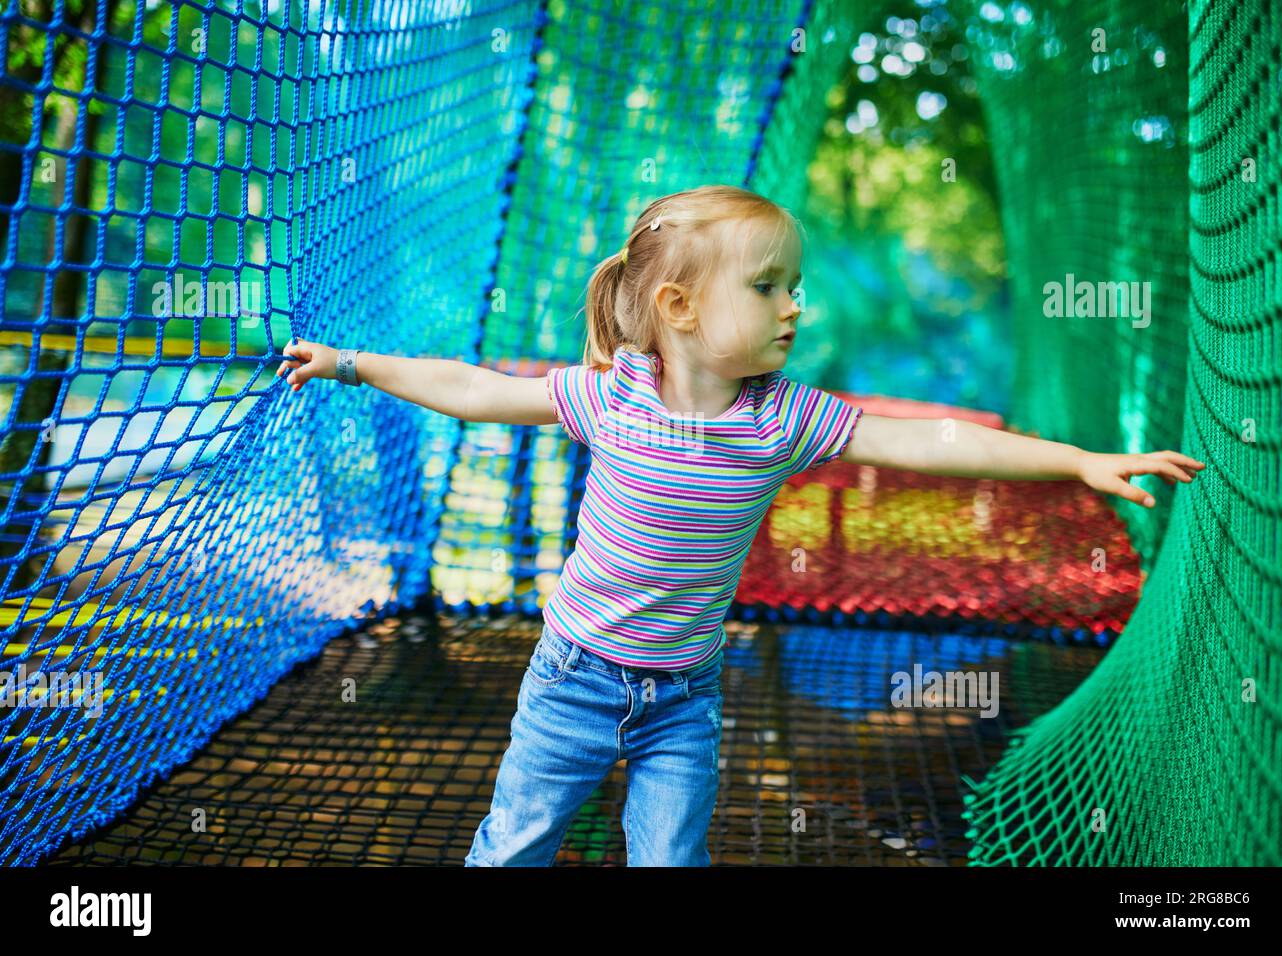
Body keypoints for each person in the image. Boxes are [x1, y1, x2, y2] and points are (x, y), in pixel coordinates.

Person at [275, 184, 1206, 866]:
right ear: (679, 308)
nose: (795, 305)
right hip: (573, 680)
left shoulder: (784, 417)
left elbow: (932, 441)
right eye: (768, 287)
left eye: (794, 284)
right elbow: (474, 390)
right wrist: (352, 362)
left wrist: (1078, 461)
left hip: (684, 695)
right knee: (516, 843)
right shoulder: (611, 396)